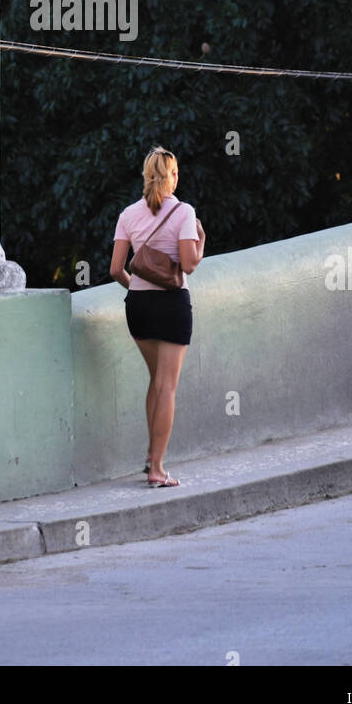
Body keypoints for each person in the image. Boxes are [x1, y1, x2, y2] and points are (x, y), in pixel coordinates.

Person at [110, 147, 205, 487]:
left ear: (146, 176)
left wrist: (137, 286)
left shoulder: (128, 214)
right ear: (173, 176)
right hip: (171, 305)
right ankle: (157, 470)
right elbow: (190, 263)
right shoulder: (184, 212)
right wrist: (201, 239)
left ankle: (152, 453)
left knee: (155, 381)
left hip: (137, 305)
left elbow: (115, 269)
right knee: (167, 386)